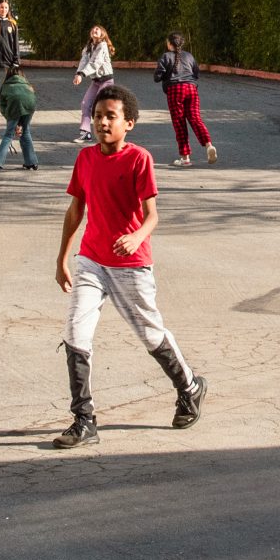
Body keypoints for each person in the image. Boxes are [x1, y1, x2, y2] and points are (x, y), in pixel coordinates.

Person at [51, 84, 207, 449]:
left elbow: (152, 215)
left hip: (130, 265)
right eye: (98, 116)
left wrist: (137, 237)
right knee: (75, 333)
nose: (102, 123)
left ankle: (189, 387)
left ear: (129, 123)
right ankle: (84, 420)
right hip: (91, 260)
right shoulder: (85, 159)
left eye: (111, 116)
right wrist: (62, 258)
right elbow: (75, 210)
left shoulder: (139, 159)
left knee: (150, 334)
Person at [153, 32, 217, 168]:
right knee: (195, 118)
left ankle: (185, 158)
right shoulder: (189, 56)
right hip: (191, 89)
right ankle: (209, 145)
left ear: (169, 44)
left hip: (175, 90)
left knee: (179, 123)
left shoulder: (166, 56)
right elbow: (196, 74)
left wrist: (165, 76)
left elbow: (157, 77)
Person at [0, 65, 40, 174]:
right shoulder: (27, 84)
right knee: (25, 132)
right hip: (30, 107)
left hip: (14, 107)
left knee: (9, 135)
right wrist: (20, 124)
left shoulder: (6, 86)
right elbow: (31, 99)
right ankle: (32, 163)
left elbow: (3, 107)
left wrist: (12, 121)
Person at [71, 26, 115, 144]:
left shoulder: (103, 46)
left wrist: (82, 74)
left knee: (100, 106)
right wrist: (78, 73)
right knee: (85, 104)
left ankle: (110, 131)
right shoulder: (88, 47)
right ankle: (86, 133)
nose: (94, 30)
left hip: (106, 81)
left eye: (97, 29)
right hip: (96, 81)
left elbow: (96, 63)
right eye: (93, 29)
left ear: (102, 34)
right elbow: (83, 61)